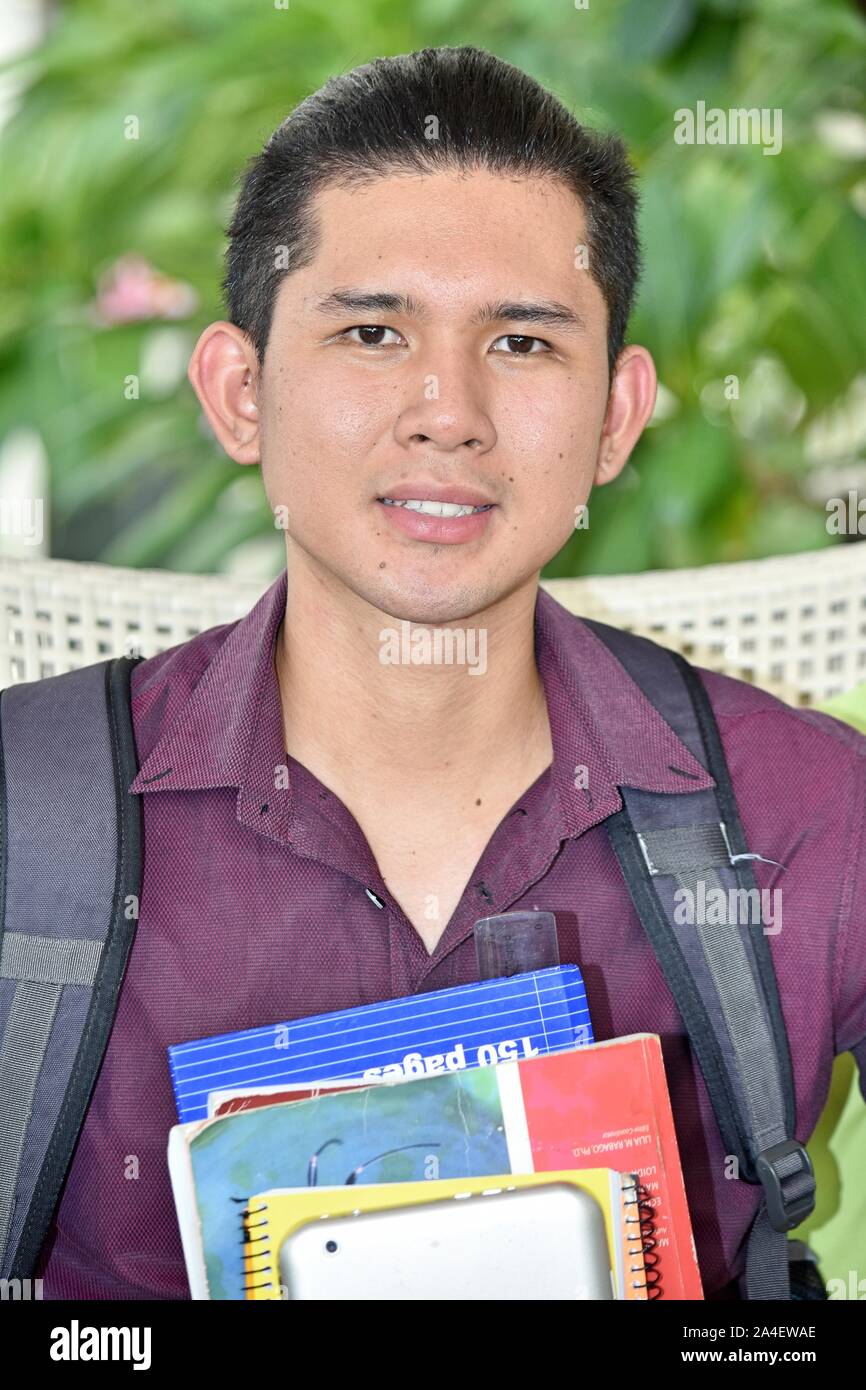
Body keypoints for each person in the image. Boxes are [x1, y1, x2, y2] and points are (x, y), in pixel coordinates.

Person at [38, 44, 865, 1300]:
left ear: (615, 418)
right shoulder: (23, 820)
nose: (448, 411)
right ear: (239, 390)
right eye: (372, 331)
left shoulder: (809, 813)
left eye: (523, 344)